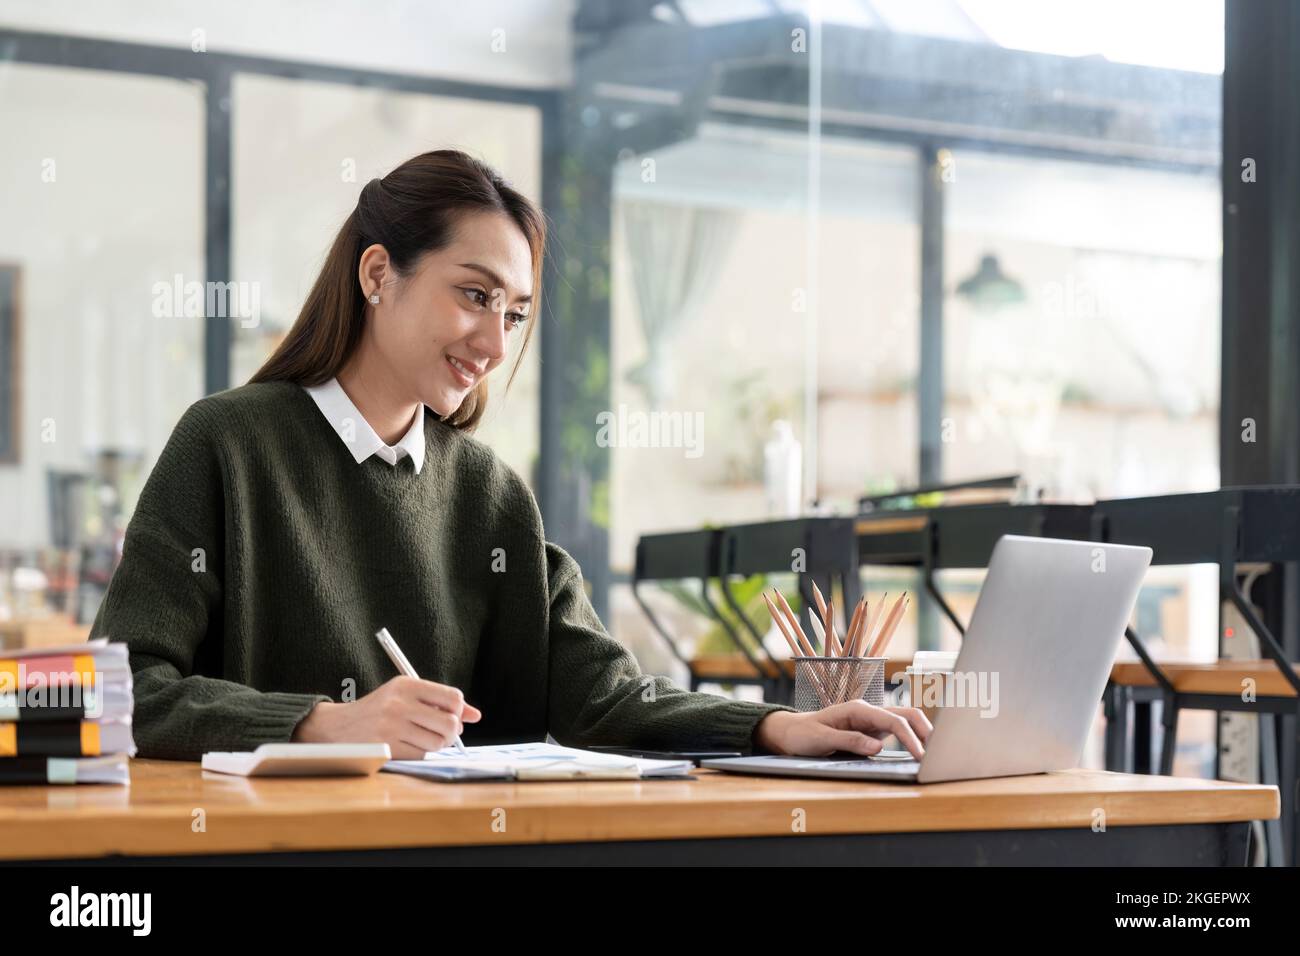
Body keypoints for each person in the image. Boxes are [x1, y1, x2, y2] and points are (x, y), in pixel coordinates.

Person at [91, 149, 931, 762]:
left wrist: (773, 727)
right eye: (475, 294)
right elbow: (123, 690)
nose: (495, 341)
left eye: (517, 312)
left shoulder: (489, 495)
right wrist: (322, 722)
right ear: (378, 273)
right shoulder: (228, 445)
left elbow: (602, 696)